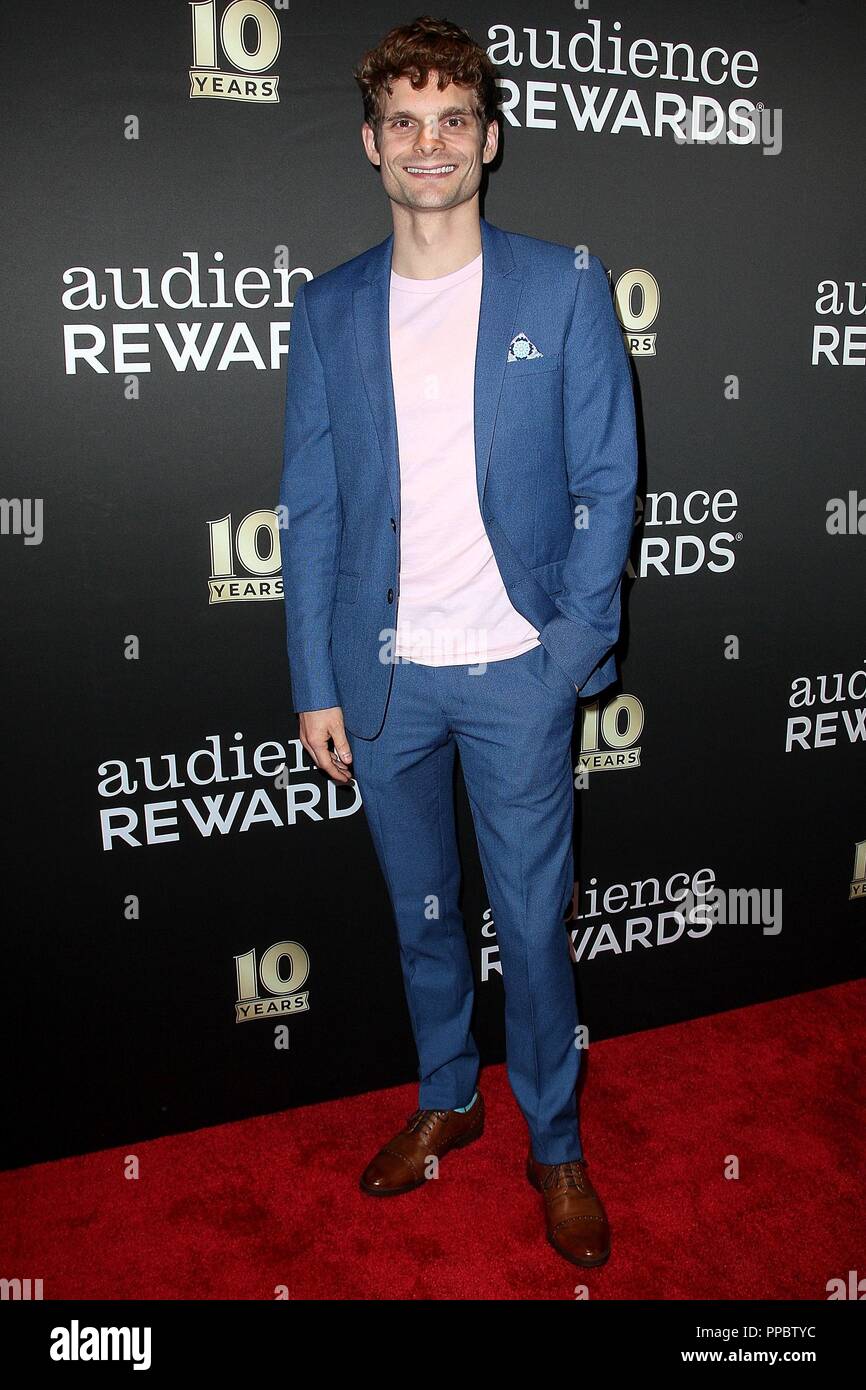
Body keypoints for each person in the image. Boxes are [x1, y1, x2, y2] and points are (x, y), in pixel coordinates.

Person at [278, 14, 638, 1269]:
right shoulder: (326, 310)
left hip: (513, 676)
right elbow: (312, 507)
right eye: (402, 122)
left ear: (486, 140)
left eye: (451, 120)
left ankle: (553, 1140)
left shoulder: (561, 284)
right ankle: (448, 1094)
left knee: (532, 924)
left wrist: (566, 659)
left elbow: (607, 481)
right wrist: (315, 679)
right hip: (383, 683)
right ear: (371, 145)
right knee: (422, 913)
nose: (427, 144)